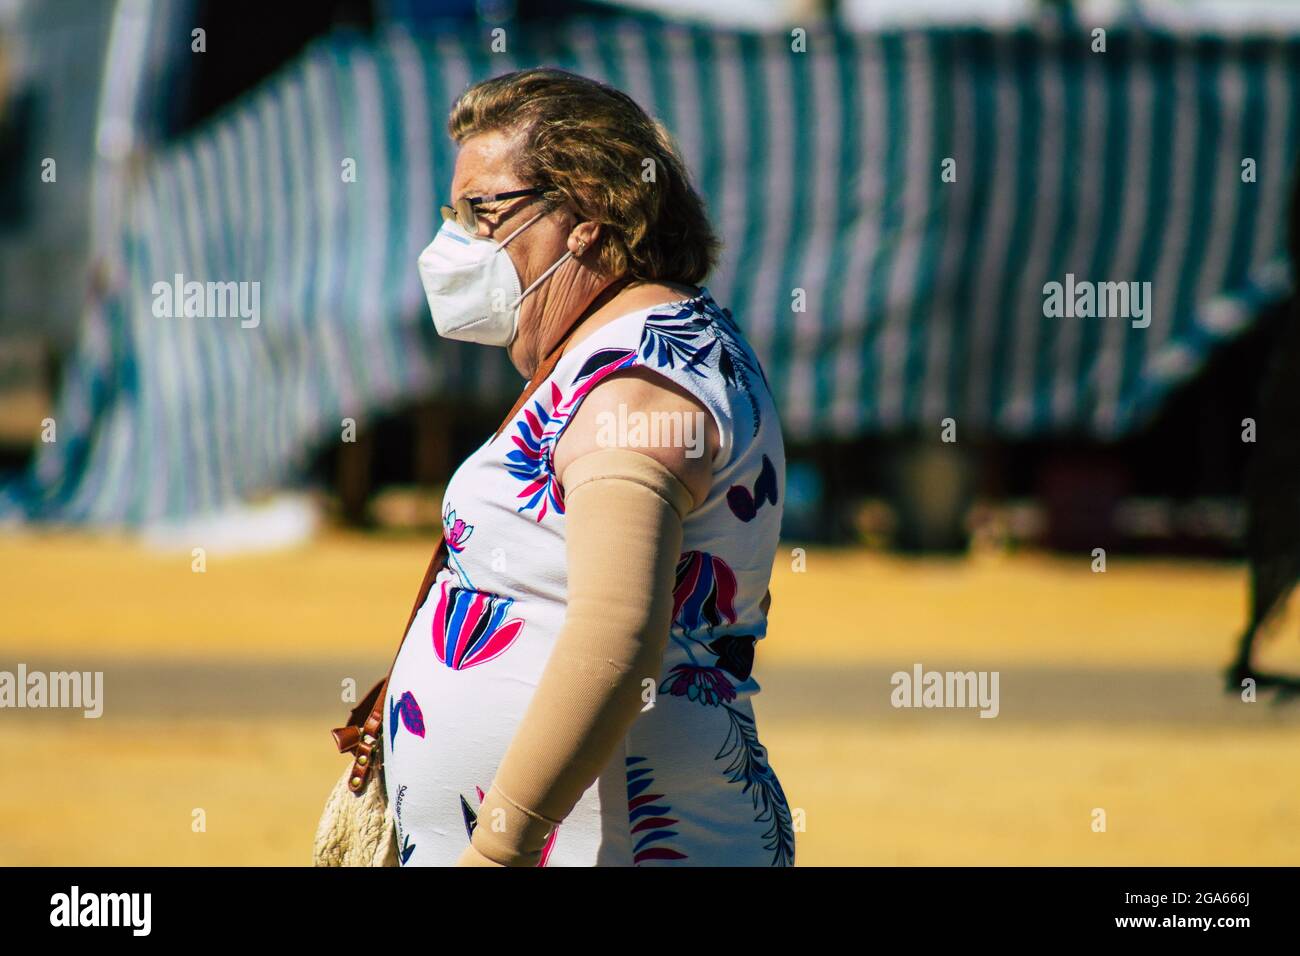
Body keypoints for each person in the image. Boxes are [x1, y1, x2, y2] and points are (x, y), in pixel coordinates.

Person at [386, 67, 793, 866]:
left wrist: (497, 851)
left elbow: (618, 632)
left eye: (483, 212)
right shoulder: (622, 352)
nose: (457, 244)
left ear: (589, 215)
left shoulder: (640, 382)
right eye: (452, 212)